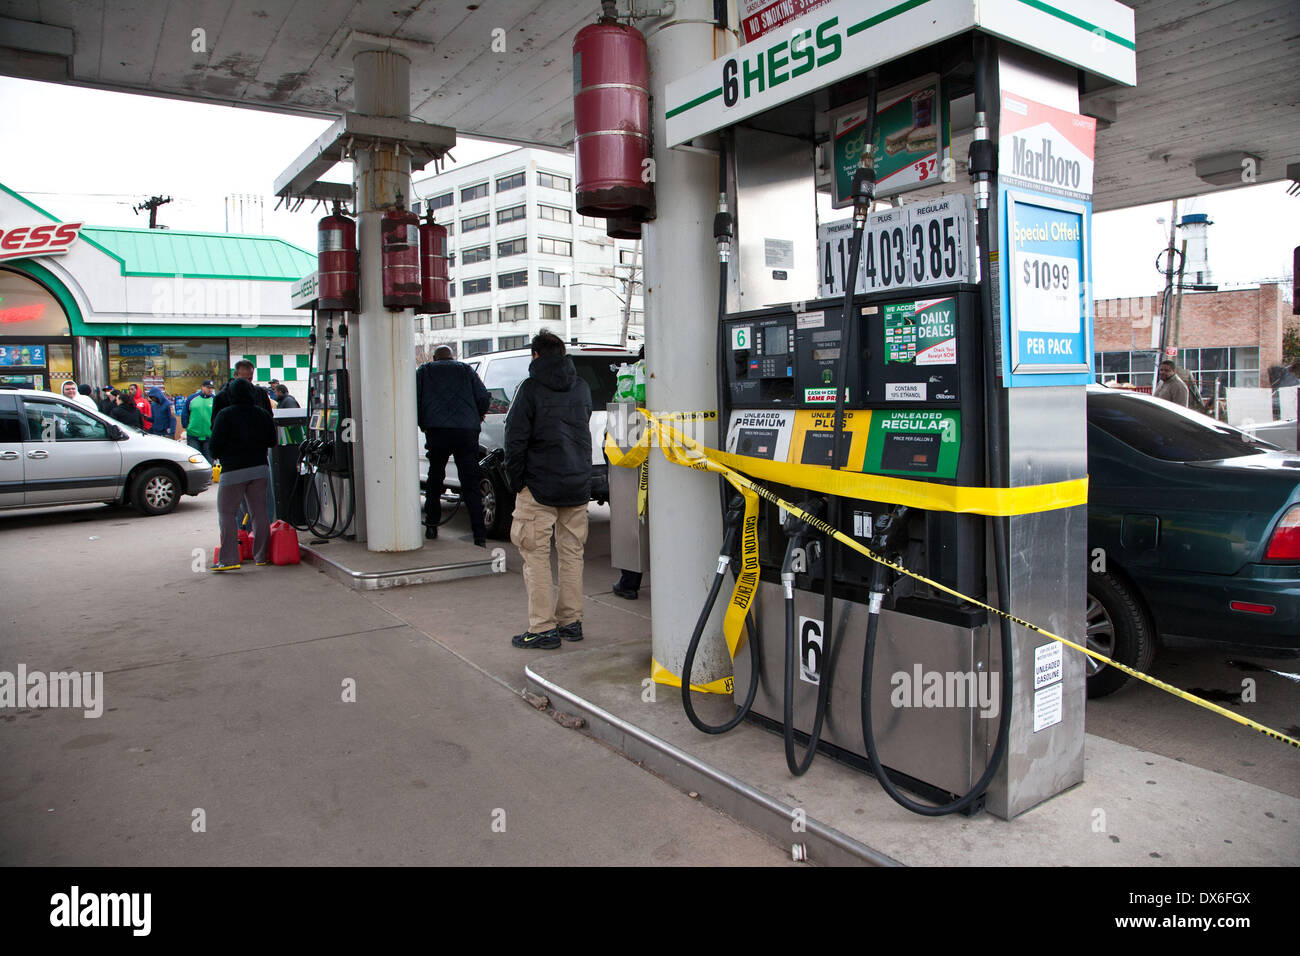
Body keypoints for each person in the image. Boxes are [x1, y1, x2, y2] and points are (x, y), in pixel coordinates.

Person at [504, 330, 593, 649]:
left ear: (536, 355)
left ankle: (542, 628)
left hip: (539, 485)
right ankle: (571, 623)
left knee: (536, 555)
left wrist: (516, 481)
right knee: (572, 553)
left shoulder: (529, 388)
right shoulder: (581, 387)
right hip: (577, 482)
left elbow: (514, 439)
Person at [416, 345, 491, 544]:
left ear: (434, 358)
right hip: (466, 431)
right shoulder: (465, 369)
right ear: (452, 357)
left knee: (435, 479)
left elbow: (414, 399)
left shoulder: (424, 371)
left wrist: (423, 423)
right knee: (470, 483)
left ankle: (431, 527)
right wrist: (477, 416)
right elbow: (483, 396)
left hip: (437, 431)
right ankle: (479, 535)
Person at [208, 377, 276, 571]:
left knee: (226, 513)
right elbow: (272, 441)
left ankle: (229, 560)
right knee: (259, 512)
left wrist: (222, 455)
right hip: (259, 468)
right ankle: (262, 556)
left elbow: (214, 446)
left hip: (233, 471)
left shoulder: (224, 415)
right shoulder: (262, 414)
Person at [183, 380, 216, 460]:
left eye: (212, 388)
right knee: (195, 460)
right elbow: (185, 413)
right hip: (193, 436)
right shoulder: (192, 398)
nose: (210, 390)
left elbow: (218, 416)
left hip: (209, 436)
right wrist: (186, 426)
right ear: (202, 387)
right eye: (208, 388)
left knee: (209, 462)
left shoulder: (215, 400)